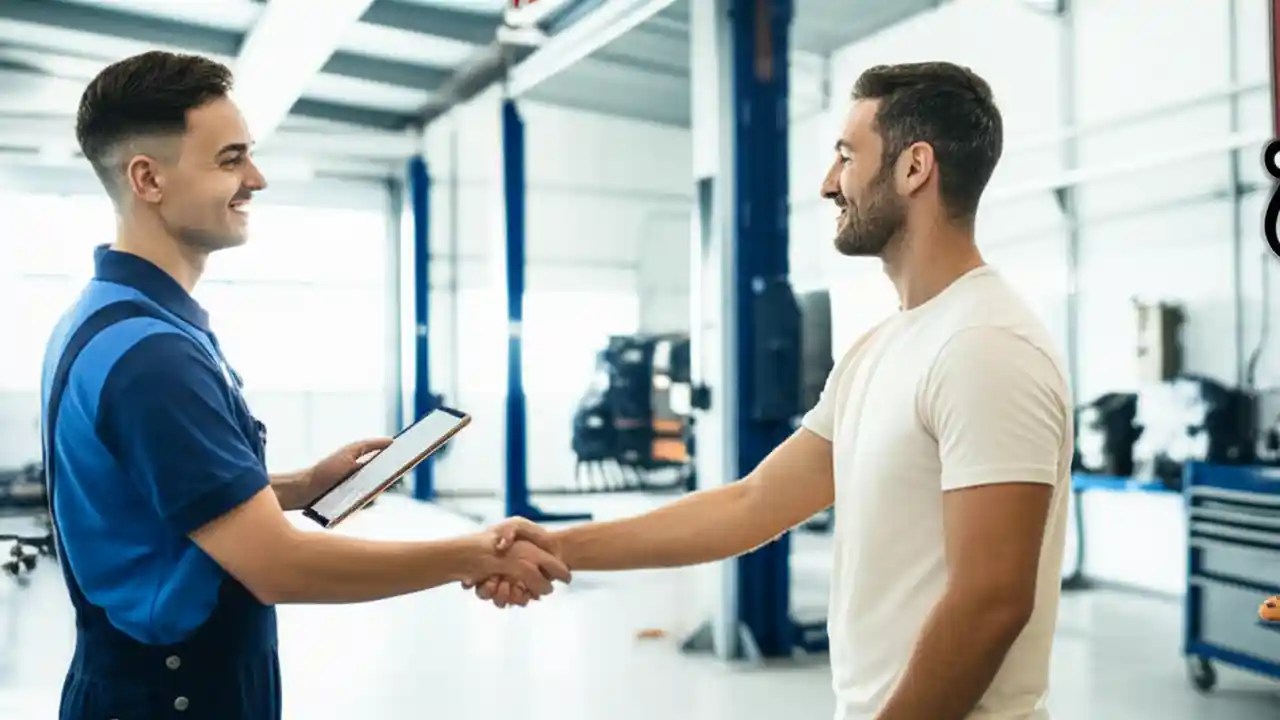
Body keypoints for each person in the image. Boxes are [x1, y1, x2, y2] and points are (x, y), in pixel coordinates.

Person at [470, 61, 1074, 720]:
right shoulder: (885, 347)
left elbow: (991, 599)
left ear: (914, 167)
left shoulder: (985, 346)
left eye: (846, 156)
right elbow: (752, 504)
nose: (827, 184)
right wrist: (560, 547)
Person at [41, 50, 568, 720]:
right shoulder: (152, 358)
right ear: (147, 178)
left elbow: (154, 496)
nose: (255, 179)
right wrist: (469, 554)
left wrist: (297, 488)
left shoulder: (111, 318)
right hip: (173, 697)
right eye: (230, 159)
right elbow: (278, 566)